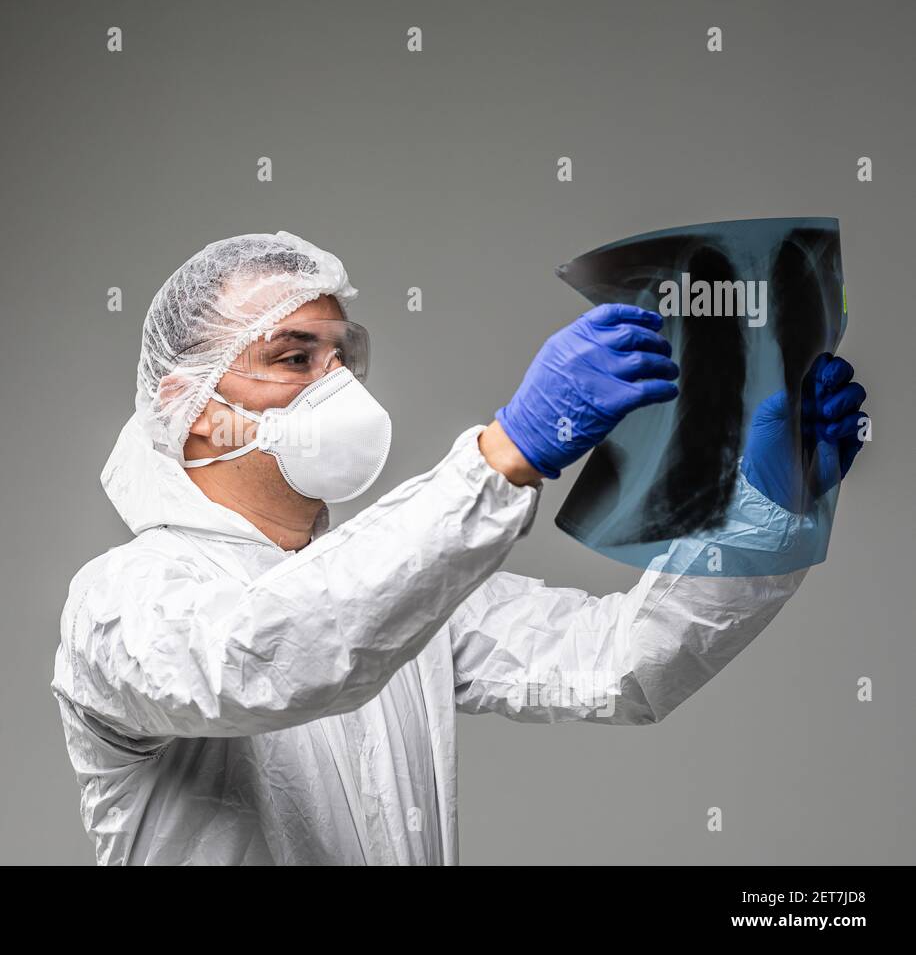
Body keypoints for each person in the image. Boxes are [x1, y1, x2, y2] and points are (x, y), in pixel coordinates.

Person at [50, 230, 868, 865]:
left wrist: (766, 503)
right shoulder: (122, 600)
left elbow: (621, 661)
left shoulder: (401, 586)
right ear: (189, 405)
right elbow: (266, 659)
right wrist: (505, 453)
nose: (337, 386)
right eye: (294, 358)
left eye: (345, 358)